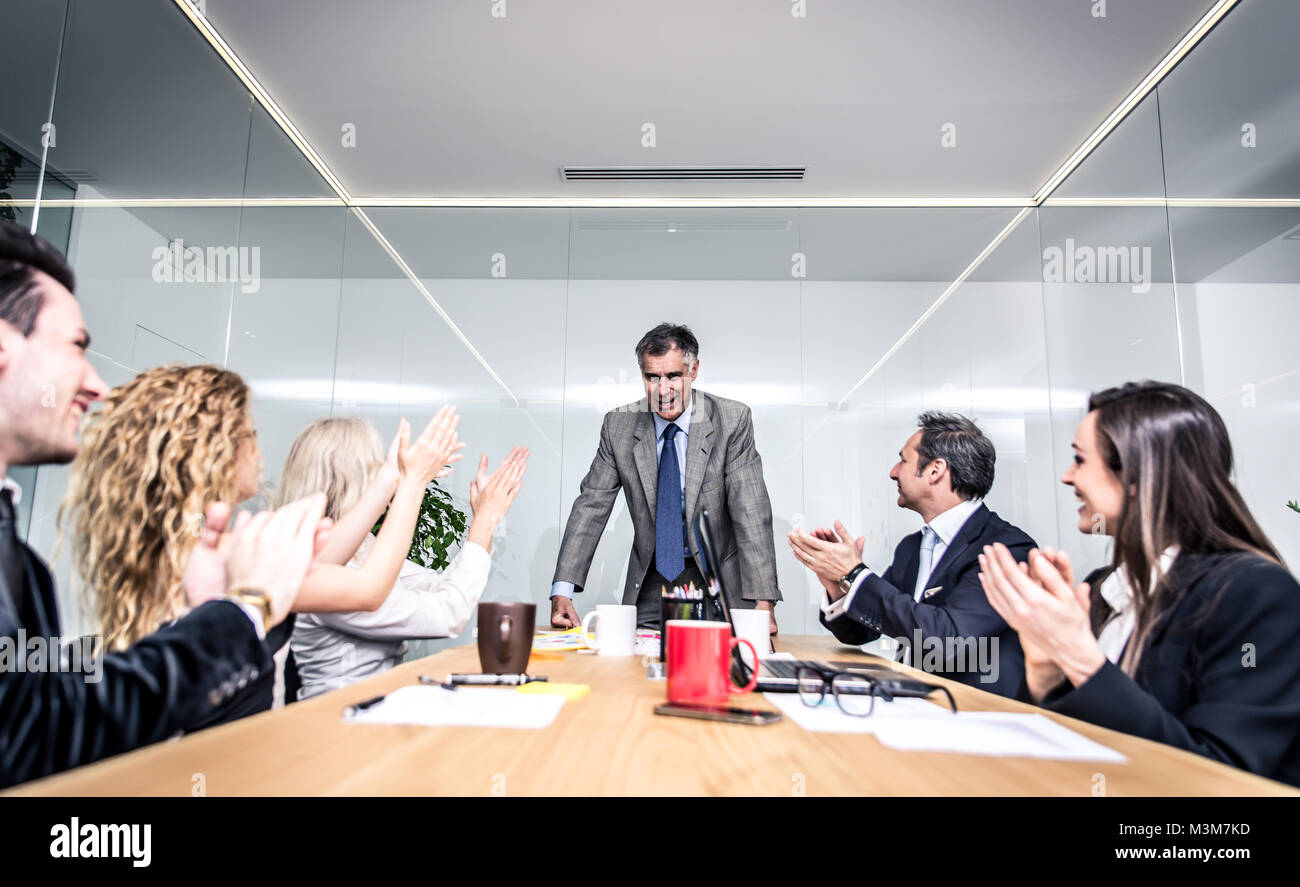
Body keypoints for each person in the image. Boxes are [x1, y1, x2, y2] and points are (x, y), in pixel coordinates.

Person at [0, 220, 326, 788]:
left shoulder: (20, 562)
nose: (97, 386)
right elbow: (32, 736)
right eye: (77, 346)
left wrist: (217, 614)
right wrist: (243, 610)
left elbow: (50, 727)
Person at [60, 364, 464, 721]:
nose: (259, 451)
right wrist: (412, 484)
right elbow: (368, 589)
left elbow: (314, 565)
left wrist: (389, 481)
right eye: (250, 434)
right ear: (215, 452)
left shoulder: (187, 542)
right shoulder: (214, 553)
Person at [979, 381, 1300, 786]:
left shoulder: (1257, 594)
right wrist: (1046, 670)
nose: (1066, 476)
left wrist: (1078, 657)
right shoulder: (1102, 589)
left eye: (1079, 460)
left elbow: (1224, 779)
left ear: (1138, 474)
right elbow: (1058, 755)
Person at [550, 323, 781, 630]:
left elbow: (750, 512)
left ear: (693, 370)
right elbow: (591, 506)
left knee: (723, 669)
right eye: (652, 377)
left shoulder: (731, 420)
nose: (662, 390)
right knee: (635, 667)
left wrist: (763, 602)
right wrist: (562, 591)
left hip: (719, 581)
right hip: (653, 578)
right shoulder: (618, 426)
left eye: (673, 376)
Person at [278, 417, 527, 699]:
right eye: (379, 467)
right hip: (341, 721)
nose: (391, 476)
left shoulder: (360, 547)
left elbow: (439, 585)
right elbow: (447, 612)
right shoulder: (322, 563)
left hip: (379, 709)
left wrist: (485, 518)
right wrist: (484, 518)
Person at [789, 412, 1035, 697]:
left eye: (903, 460)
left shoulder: (1006, 549)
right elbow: (860, 632)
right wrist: (838, 584)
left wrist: (856, 575)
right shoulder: (911, 548)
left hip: (976, 714)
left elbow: (947, 640)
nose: (894, 471)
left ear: (935, 470)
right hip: (913, 706)